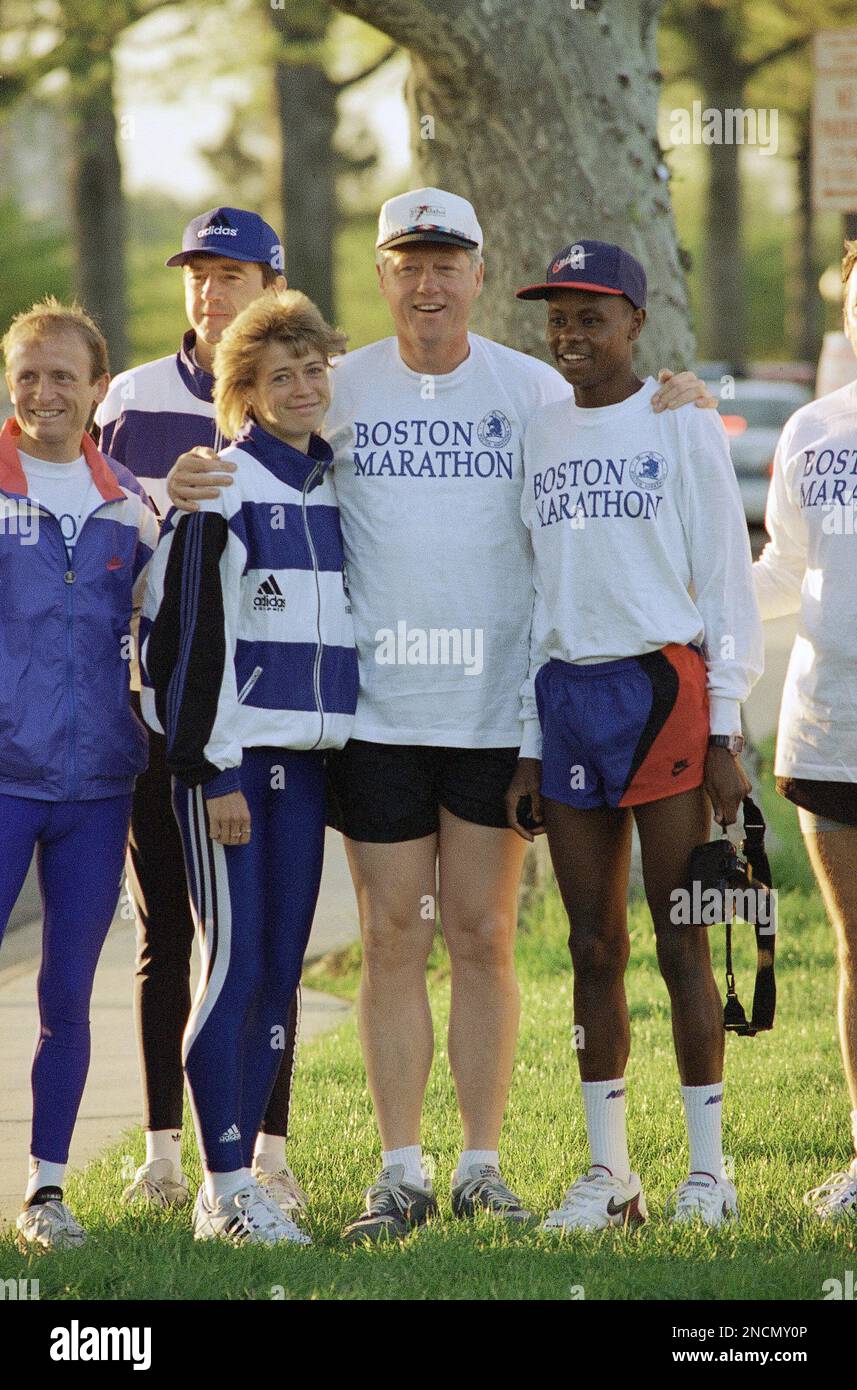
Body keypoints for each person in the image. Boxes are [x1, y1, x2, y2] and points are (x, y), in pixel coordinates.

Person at [166, 189, 716, 1241]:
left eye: (446, 262)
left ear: (474, 272)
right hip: (374, 714)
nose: (426, 283)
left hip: (494, 718)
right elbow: (256, 434)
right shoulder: (344, 384)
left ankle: (480, 1163)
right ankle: (400, 1168)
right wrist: (194, 462)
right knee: (386, 937)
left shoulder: (529, 389)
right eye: (405, 263)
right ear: (381, 276)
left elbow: (613, 417)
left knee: (479, 934)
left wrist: (680, 396)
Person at [508, 239, 763, 1230]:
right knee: (590, 945)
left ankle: (708, 1170)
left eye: (591, 316)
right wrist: (527, 739)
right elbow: (534, 595)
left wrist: (726, 724)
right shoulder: (538, 431)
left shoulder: (678, 421)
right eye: (557, 318)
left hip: (663, 692)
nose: (571, 334)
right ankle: (608, 1177)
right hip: (568, 697)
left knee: (680, 937)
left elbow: (723, 577)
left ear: (634, 325)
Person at [94, 208, 307, 1224]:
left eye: (230, 273)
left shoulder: (300, 391)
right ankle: (163, 1148)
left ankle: (269, 1149)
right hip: (152, 709)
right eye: (196, 274)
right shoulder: (128, 399)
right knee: (165, 931)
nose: (208, 291)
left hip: (266, 717)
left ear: (270, 279)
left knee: (265, 936)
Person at [140, 290, 357, 1245]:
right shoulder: (219, 490)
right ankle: (224, 1190)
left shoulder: (337, 488)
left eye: (314, 371)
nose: (303, 388)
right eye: (281, 377)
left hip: (307, 773)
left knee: (277, 975)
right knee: (228, 971)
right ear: (244, 393)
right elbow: (180, 650)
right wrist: (212, 769)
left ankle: (238, 1185)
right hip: (230, 772)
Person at [0, 298, 157, 1251]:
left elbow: (177, 624)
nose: (44, 391)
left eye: (64, 376)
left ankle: (46, 1193)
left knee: (67, 994)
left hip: (100, 785)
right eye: (27, 373)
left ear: (100, 391)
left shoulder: (128, 504)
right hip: (4, 780)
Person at [753, 238, 857, 1222]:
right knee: (852, 950)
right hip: (826, 731)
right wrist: (687, 610)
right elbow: (782, 574)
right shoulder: (812, 428)